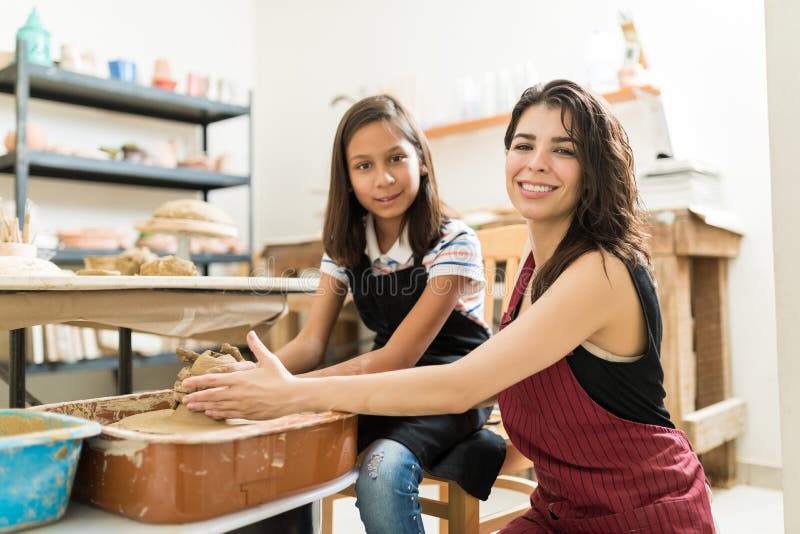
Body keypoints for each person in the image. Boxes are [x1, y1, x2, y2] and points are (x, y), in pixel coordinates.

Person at [184, 80, 716, 533]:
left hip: (642, 512)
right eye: (523, 145)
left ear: (596, 167)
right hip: (562, 510)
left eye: (565, 149)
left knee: (382, 465)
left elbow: (463, 384)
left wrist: (294, 395)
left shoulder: (600, 271)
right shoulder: (537, 262)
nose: (536, 164)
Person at [207, 95, 499, 533]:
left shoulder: (454, 241)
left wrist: (287, 391)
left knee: (382, 473)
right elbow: (310, 343)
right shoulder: (348, 244)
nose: (383, 179)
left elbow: (399, 358)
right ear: (345, 178)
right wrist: (247, 376)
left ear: (421, 161)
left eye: (396, 158)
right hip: (381, 384)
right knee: (277, 447)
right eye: (363, 166)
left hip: (450, 386)